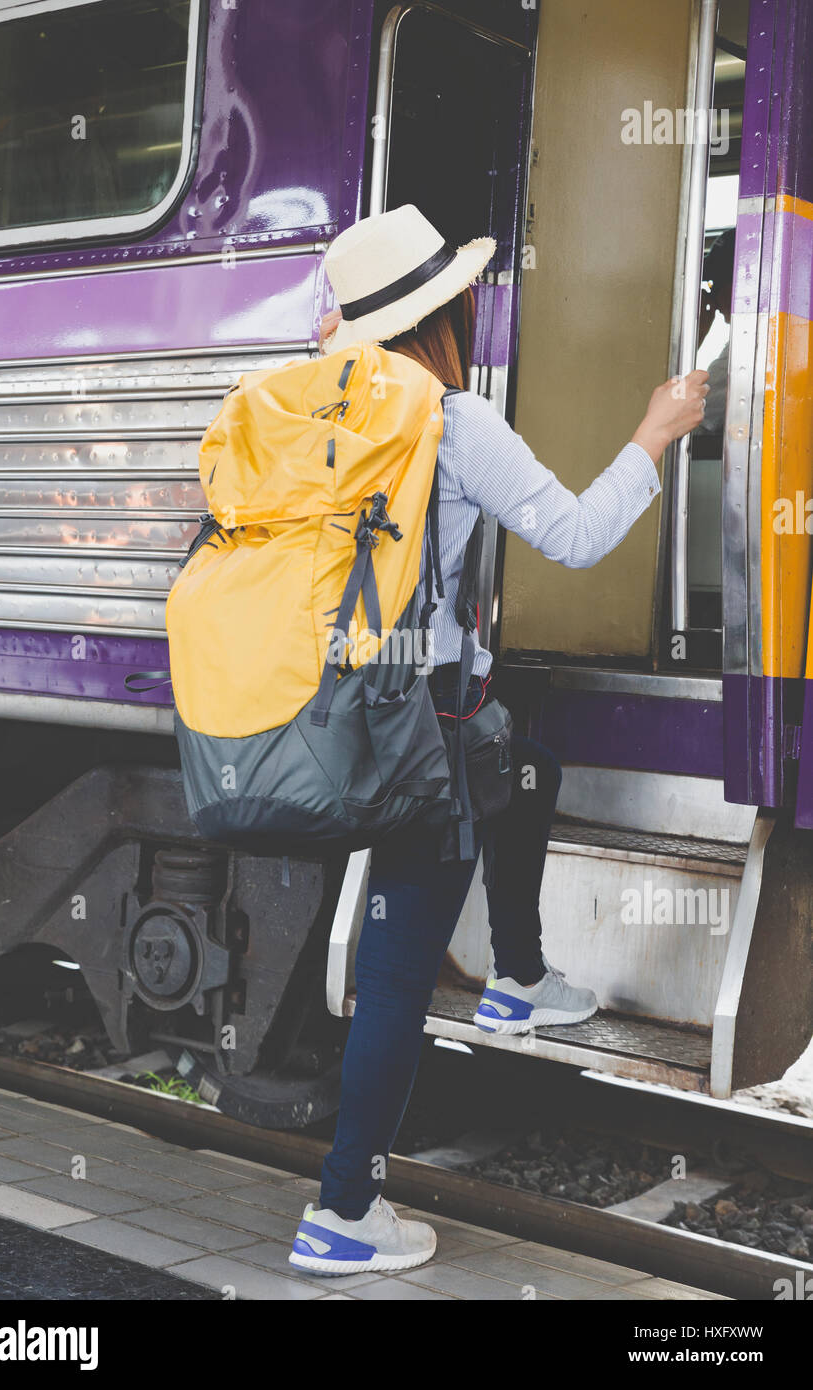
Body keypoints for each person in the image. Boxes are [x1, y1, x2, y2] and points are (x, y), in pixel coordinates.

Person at [288, 205, 709, 1277]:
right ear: (444, 313)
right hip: (421, 732)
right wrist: (653, 433)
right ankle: (342, 1211)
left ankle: (517, 971)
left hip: (349, 708)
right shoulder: (450, 419)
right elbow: (571, 536)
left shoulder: (320, 406)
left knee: (527, 764)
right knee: (393, 973)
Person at [697, 228, 735, 436]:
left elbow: (697, 415)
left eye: (714, 283)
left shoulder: (747, 349)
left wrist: (696, 336)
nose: (709, 294)